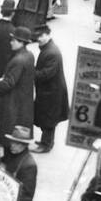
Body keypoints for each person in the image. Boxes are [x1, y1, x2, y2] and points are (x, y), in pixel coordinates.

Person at [0, 26, 36, 137]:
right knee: (20, 131)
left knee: (10, 132)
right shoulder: (29, 55)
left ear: (21, 42)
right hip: (24, 98)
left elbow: (8, 84)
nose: (11, 42)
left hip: (14, 100)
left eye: (14, 40)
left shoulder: (18, 60)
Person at [31, 24, 69, 152]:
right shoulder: (48, 49)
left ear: (48, 35)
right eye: (37, 37)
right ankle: (46, 142)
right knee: (47, 118)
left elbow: (46, 74)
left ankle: (46, 144)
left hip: (52, 92)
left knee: (49, 120)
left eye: (42, 36)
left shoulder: (51, 52)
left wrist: (31, 73)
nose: (39, 39)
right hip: (50, 91)